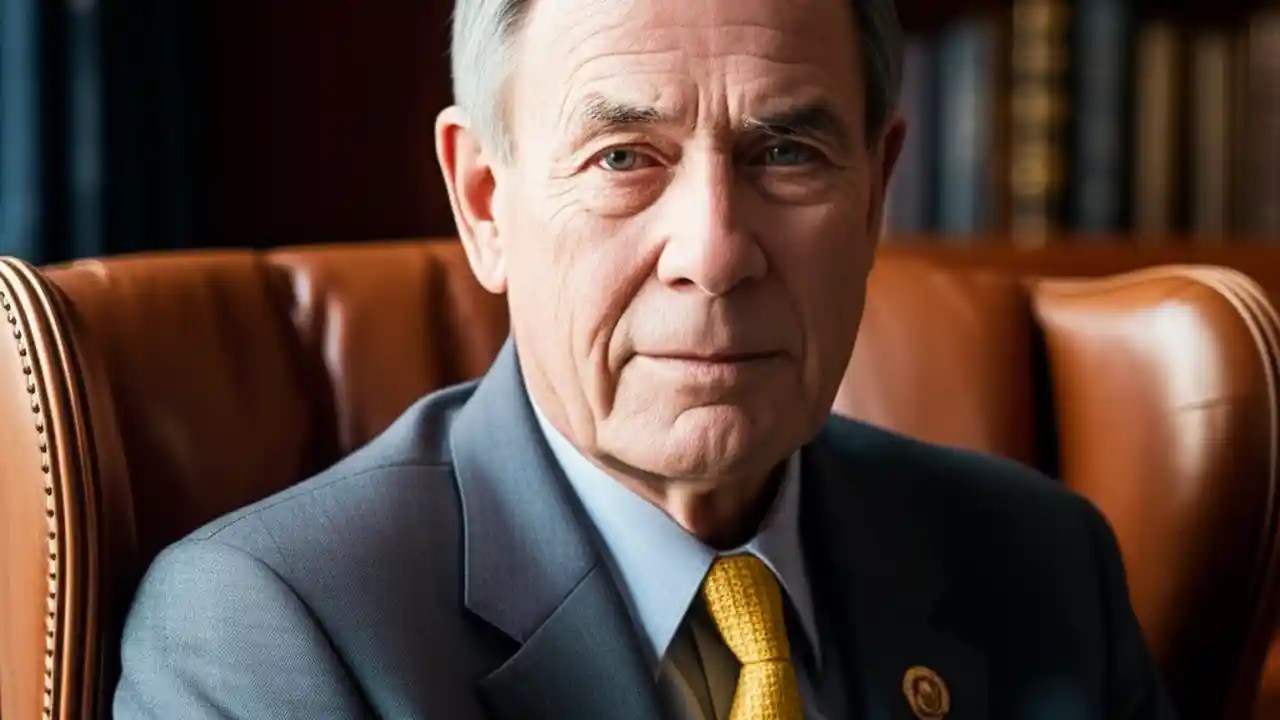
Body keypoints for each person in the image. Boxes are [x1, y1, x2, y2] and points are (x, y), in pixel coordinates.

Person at [113, 0, 1177, 717]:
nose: (712, 253)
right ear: (484, 202)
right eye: (623, 157)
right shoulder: (272, 627)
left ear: (875, 192)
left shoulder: (1040, 564)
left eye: (786, 153)